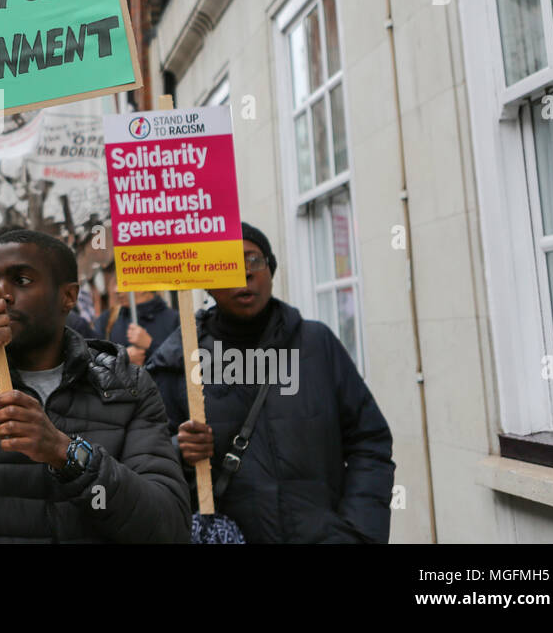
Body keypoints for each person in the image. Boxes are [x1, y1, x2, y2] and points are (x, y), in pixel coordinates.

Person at [0, 229, 192, 543]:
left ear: (68, 296)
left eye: (22, 280)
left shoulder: (125, 386)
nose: (1, 294)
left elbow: (167, 528)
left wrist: (66, 454)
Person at [146, 223, 395, 543]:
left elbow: (370, 442)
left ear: (271, 271)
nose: (244, 274)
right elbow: (145, 472)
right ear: (207, 285)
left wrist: (358, 532)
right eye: (227, 265)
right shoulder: (178, 362)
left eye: (253, 261)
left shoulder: (318, 345)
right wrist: (177, 451)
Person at [96, 273, 179, 365]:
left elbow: (184, 361)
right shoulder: (107, 319)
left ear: (143, 285)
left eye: (124, 282)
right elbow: (95, 360)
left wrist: (150, 345)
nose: (116, 290)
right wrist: (122, 358)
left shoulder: (174, 320)